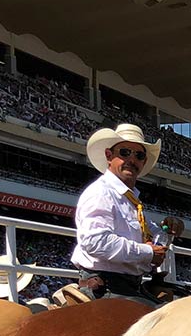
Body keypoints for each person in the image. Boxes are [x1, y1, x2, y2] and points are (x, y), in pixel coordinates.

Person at [72, 123, 183, 306]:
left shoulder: (129, 200)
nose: (132, 159)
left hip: (125, 286)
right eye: (125, 152)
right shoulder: (101, 193)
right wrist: (147, 252)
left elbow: (151, 233)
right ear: (109, 156)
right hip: (107, 287)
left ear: (143, 162)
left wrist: (167, 229)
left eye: (139, 155)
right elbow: (95, 242)